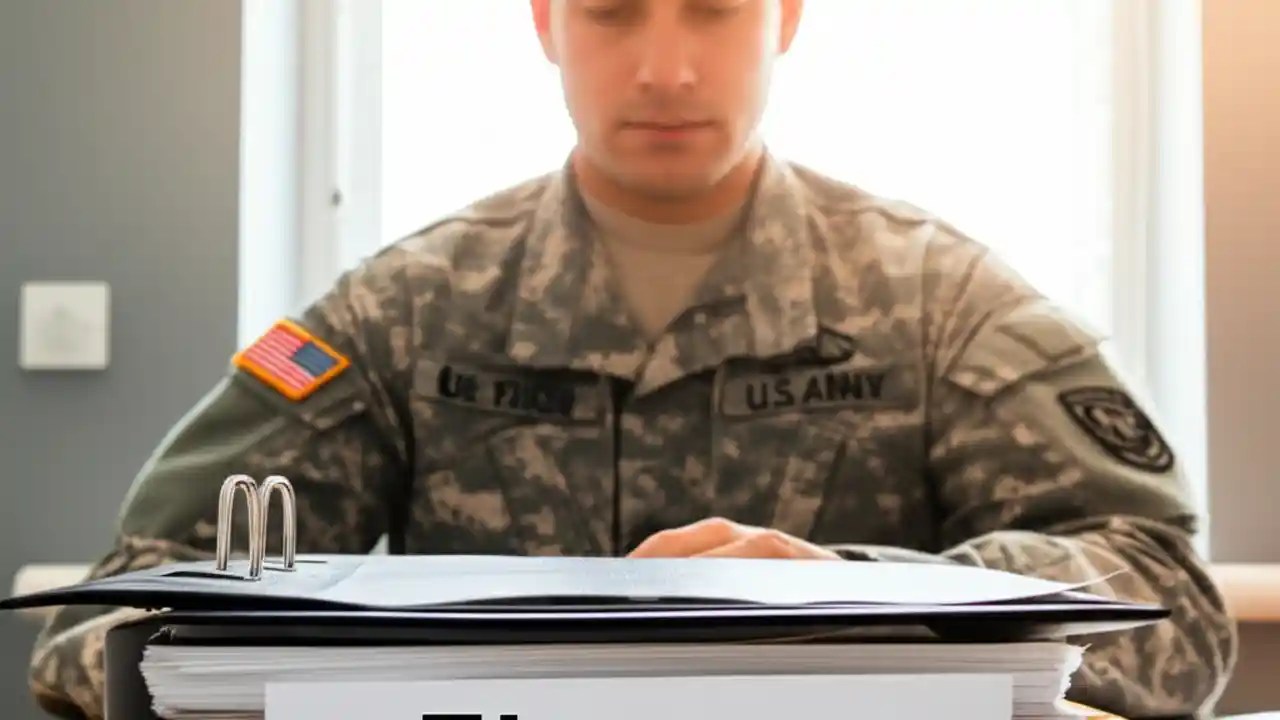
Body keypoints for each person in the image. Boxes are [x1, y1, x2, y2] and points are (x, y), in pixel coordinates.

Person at [29, 1, 1235, 718]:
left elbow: (1164, 605)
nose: (664, 67)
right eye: (611, 10)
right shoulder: (405, 310)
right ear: (545, 22)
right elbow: (119, 614)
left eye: (710, 8)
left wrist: (856, 593)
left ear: (784, 19)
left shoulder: (936, 300)